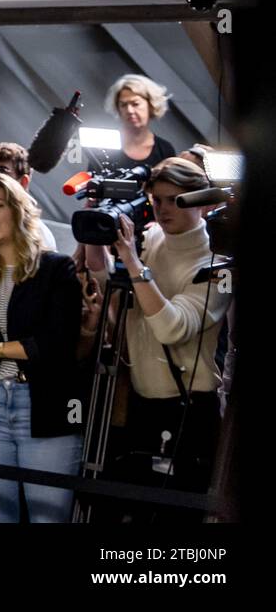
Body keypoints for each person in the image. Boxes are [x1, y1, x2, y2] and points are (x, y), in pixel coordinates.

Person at [78, 157, 231, 517]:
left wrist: (132, 261)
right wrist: (96, 233)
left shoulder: (216, 263)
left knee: (176, 517)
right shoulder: (150, 238)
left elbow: (170, 327)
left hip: (189, 407)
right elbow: (111, 292)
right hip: (140, 402)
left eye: (174, 199)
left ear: (203, 201)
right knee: (131, 511)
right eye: (156, 199)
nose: (162, 209)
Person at [0, 172, 83, 522]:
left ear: (18, 210)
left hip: (43, 406)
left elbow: (57, 342)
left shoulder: (57, 267)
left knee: (48, 518)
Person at [104, 74, 176, 172]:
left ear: (151, 105)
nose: (129, 110)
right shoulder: (105, 146)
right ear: (118, 109)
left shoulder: (164, 150)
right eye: (123, 105)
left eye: (135, 104)